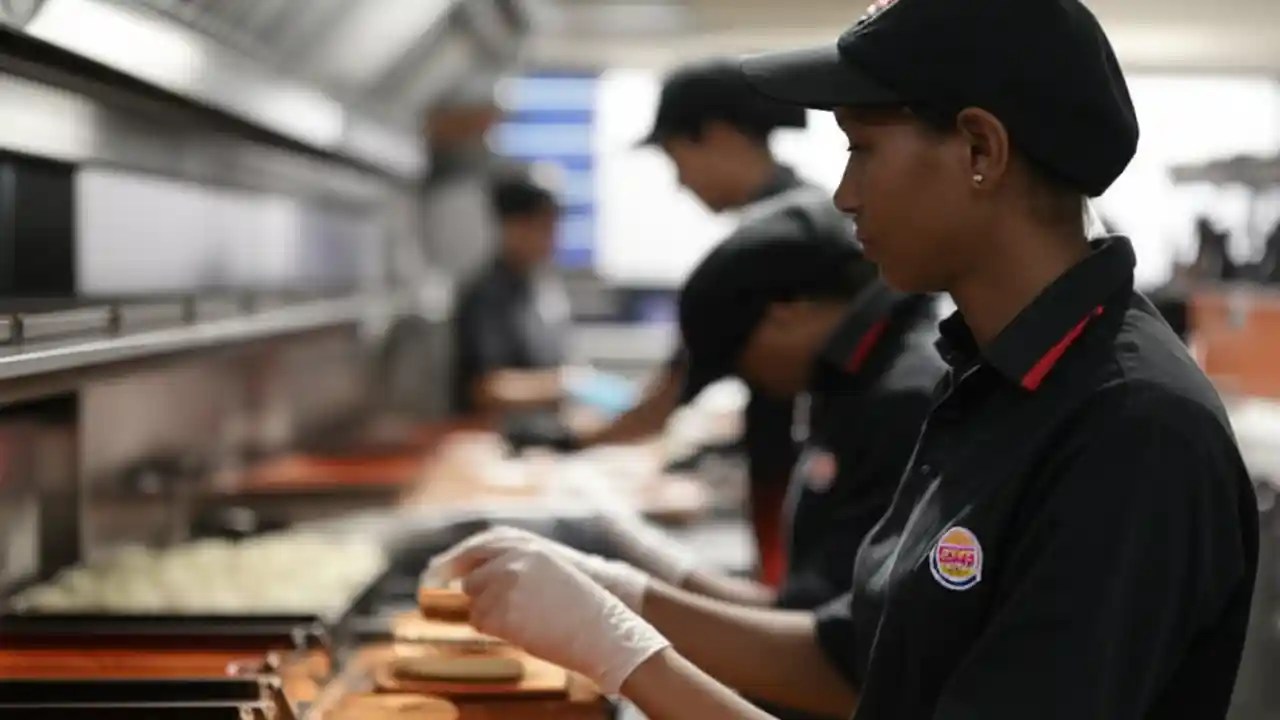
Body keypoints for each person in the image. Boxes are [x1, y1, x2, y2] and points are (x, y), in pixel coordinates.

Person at [428, 1, 1259, 719]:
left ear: (979, 150)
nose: (842, 196)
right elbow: (860, 659)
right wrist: (622, 590)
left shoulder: (1130, 431)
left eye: (862, 149)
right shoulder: (989, 381)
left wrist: (627, 659)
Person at [549, 58, 845, 589]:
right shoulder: (808, 213)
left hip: (803, 486)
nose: (679, 181)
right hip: (807, 477)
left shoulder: (777, 241)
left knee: (794, 621)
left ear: (718, 135)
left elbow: (662, 401)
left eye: (675, 157)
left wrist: (563, 442)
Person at [451, 172, 572, 426]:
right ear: (513, 227)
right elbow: (485, 389)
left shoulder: (540, 286)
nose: (553, 239)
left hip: (539, 431)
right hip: (495, 436)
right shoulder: (487, 296)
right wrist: (565, 385)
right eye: (544, 227)